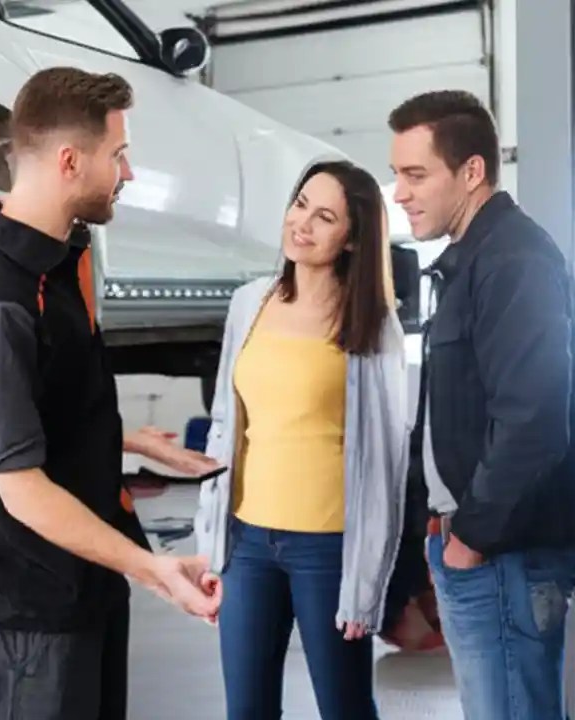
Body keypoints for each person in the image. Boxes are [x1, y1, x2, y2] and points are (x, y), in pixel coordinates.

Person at [0, 67, 221, 720]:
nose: (129, 173)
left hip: (85, 591)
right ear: (71, 160)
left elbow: (31, 406)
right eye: (118, 155)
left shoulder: (67, 260)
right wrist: (156, 572)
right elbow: (18, 484)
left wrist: (121, 438)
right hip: (27, 622)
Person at [387, 90, 575, 719]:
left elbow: (533, 419)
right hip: (481, 547)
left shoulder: (513, 260)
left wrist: (471, 537)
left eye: (416, 174)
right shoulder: (472, 260)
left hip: (504, 552)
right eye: (397, 174)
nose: (399, 192)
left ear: (472, 171)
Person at [193, 160, 412, 720]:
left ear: (352, 238)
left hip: (328, 549)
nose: (302, 224)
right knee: (246, 711)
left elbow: (388, 462)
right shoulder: (249, 303)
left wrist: (368, 586)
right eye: (299, 205)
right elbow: (225, 423)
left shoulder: (371, 323)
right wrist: (211, 544)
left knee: (345, 709)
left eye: (325, 216)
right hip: (247, 544)